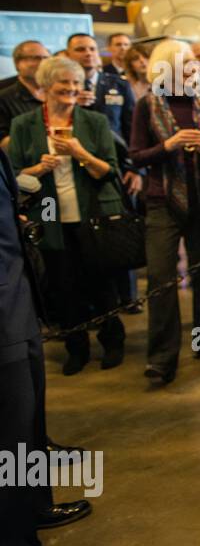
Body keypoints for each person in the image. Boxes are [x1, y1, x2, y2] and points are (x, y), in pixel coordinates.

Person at [0, 152, 90, 546]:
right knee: (8, 434)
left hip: (17, 295)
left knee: (29, 421)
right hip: (2, 310)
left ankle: (36, 506)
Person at [9, 56, 126, 375]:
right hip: (49, 217)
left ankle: (113, 341)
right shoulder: (24, 125)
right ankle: (77, 348)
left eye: (76, 83)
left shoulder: (94, 122)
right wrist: (37, 168)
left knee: (102, 283)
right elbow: (14, 175)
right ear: (46, 87)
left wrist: (80, 153)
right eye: (64, 83)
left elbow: (110, 171)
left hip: (92, 217)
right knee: (64, 287)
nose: (72, 88)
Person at [128, 40, 200, 385]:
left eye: (193, 64)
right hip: (162, 201)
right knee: (160, 280)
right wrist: (167, 146)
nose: (193, 68)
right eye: (185, 63)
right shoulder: (147, 104)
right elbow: (136, 156)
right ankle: (161, 359)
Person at [0, 40, 49, 151]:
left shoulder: (58, 95)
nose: (42, 63)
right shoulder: (3, 99)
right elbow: (3, 144)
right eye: (36, 58)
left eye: (46, 58)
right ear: (18, 63)